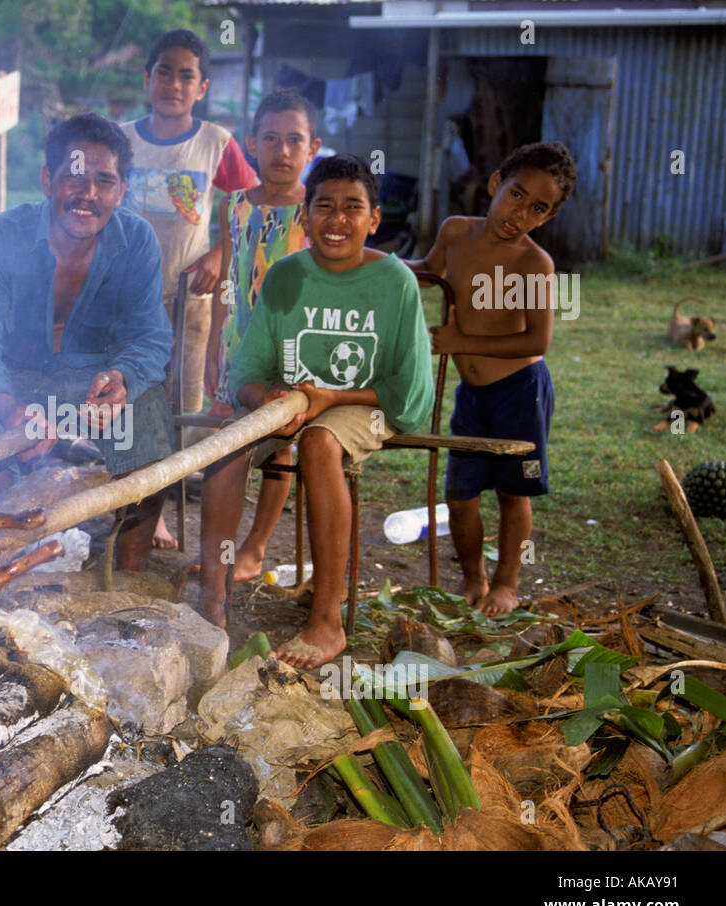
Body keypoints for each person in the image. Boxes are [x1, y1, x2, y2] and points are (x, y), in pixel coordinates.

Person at [198, 154, 433, 668]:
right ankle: (214, 594)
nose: (337, 219)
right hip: (293, 403)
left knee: (320, 443)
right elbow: (247, 373)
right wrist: (267, 401)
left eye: (353, 208)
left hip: (362, 404)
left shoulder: (395, 282)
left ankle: (327, 621)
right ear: (305, 216)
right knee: (227, 445)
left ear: (374, 219)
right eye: (324, 206)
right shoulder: (285, 277)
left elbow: (410, 392)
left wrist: (330, 399)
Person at [0, 112, 173, 570]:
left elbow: (149, 336)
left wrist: (123, 377)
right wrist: (7, 407)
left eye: (104, 181)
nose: (88, 194)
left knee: (147, 412)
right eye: (74, 176)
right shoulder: (3, 236)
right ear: (48, 180)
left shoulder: (137, 242)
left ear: (121, 190)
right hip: (17, 383)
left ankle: (127, 580)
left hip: (90, 388)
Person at [405, 141, 576, 615]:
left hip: (521, 393)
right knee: (460, 496)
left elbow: (537, 341)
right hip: (472, 396)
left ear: (546, 218)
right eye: (517, 194)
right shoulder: (456, 233)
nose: (520, 213)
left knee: (513, 492)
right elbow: (425, 272)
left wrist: (462, 342)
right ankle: (472, 578)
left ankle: (506, 582)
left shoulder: (533, 264)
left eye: (537, 208)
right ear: (496, 183)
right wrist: (373, 263)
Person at [120, 28, 258, 548]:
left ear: (201, 88)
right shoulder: (123, 139)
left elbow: (248, 205)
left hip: (188, 300)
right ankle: (139, 506)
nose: (173, 84)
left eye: (186, 76)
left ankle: (166, 503)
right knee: (135, 396)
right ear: (147, 79)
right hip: (129, 299)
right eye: (163, 72)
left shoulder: (215, 143)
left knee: (180, 400)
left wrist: (220, 253)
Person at [201, 87, 321, 582]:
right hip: (236, 347)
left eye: (295, 140)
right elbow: (228, 279)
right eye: (271, 138)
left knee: (278, 448)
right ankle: (217, 557)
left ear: (313, 148)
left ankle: (255, 546)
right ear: (251, 143)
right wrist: (213, 342)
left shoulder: (318, 210)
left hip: (292, 351)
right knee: (225, 444)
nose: (283, 150)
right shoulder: (233, 205)